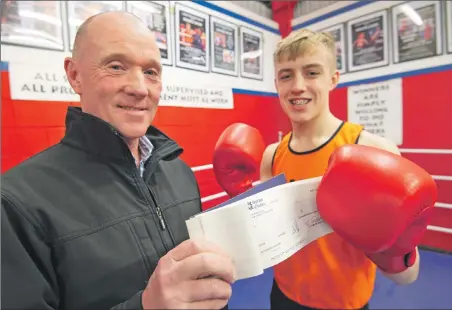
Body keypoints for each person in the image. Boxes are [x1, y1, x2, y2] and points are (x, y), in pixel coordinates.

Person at [1, 11, 236, 309]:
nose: (139, 88)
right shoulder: (16, 203)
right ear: (74, 75)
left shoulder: (180, 172)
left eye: (151, 72)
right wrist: (146, 306)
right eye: (116, 66)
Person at [212, 29, 432, 310]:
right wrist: (240, 205)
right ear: (276, 83)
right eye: (286, 75)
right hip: (283, 297)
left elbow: (407, 276)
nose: (298, 86)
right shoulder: (273, 155)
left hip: (345, 303)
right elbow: (268, 243)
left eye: (312, 72)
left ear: (333, 79)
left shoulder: (373, 149)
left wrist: (393, 250)